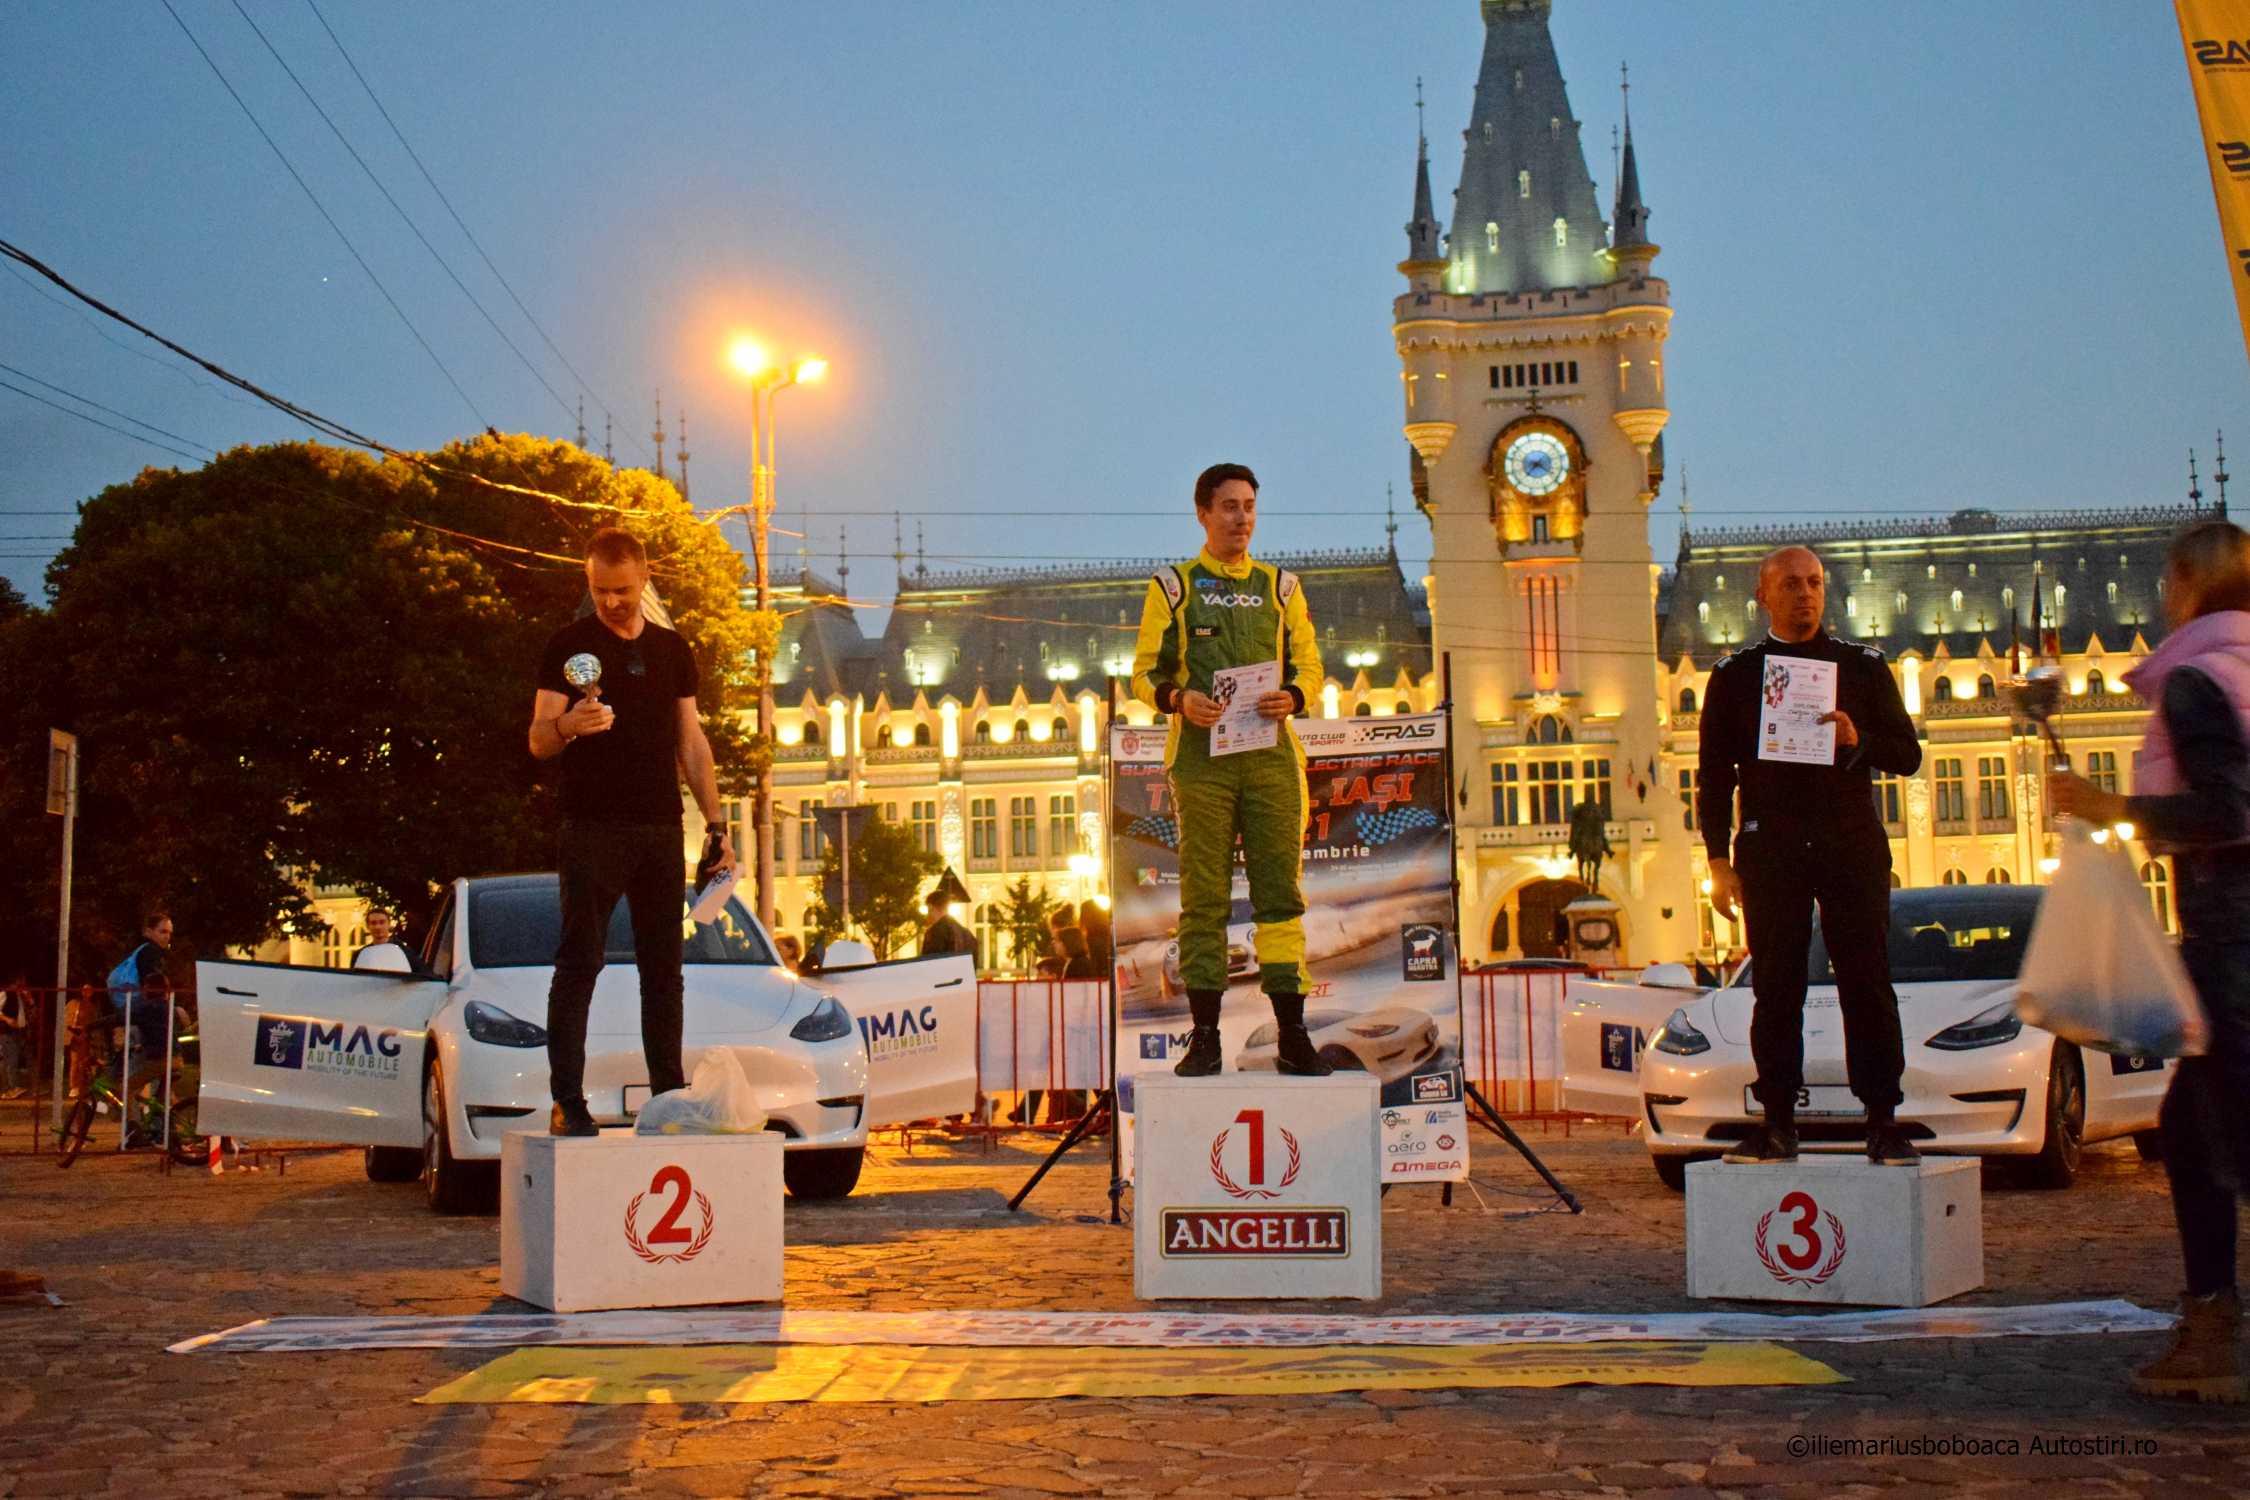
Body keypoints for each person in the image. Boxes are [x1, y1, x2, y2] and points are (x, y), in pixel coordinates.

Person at [2051, 519, 2250, 1403]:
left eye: (2165, 584)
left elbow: (2227, 813)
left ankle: (2211, 1329)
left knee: (2213, 1131)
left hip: (2234, 938)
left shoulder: (2199, 680)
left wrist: (2109, 806)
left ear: (2183, 582)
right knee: (2197, 1125)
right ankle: (2209, 1319)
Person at [1698, 545, 1922, 1166]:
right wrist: (1717, 858)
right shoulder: (1736, 675)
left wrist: (1860, 737)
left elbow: (1909, 754)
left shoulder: (1863, 667)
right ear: (1763, 594)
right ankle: (1776, 1121)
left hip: (1849, 840)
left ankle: (1883, 1120)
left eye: (1815, 583)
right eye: (1792, 584)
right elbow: (1714, 776)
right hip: (1771, 846)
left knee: (1867, 981)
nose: (1806, 594)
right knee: (1777, 986)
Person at [529, 527, 734, 1137]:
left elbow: (691, 741)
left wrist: (716, 824)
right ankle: (568, 1099)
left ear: (645, 580)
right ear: (587, 583)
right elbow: (538, 739)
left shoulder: (672, 648)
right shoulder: (568, 646)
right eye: (599, 591)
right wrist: (569, 723)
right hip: (591, 825)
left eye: (621, 590)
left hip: (659, 825)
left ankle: (667, 1095)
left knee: (664, 968)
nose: (611, 602)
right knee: (580, 961)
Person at [1130, 462, 1327, 1078]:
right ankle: (1206, 1039)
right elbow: (1144, 673)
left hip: (1271, 761)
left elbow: (1313, 671)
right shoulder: (1173, 587)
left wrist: (1292, 698)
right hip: (1201, 764)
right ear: (1202, 514)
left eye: (1249, 506)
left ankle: (1293, 1036)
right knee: (1204, 902)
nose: (1241, 517)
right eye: (1229, 507)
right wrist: (1177, 699)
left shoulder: (1282, 588)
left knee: (1279, 899)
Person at [351, 909, 415, 973]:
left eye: (382, 922)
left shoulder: (404, 952)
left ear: (389, 924)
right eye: (373, 923)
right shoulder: (360, 955)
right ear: (368, 926)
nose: (378, 927)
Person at [919, 891, 975, 957]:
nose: (927, 915)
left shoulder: (934, 932)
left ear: (930, 907)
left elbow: (929, 962)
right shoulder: (967, 934)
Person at [0, 973, 30, 1098]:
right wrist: (7, 1019)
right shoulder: (6, 993)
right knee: (10, 1059)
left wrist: (28, 998)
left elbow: (25, 1012)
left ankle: (10, 1087)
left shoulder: (19, 995)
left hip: (17, 1031)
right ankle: (10, 1088)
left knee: (13, 1059)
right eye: (21, 981)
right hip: (6, 1032)